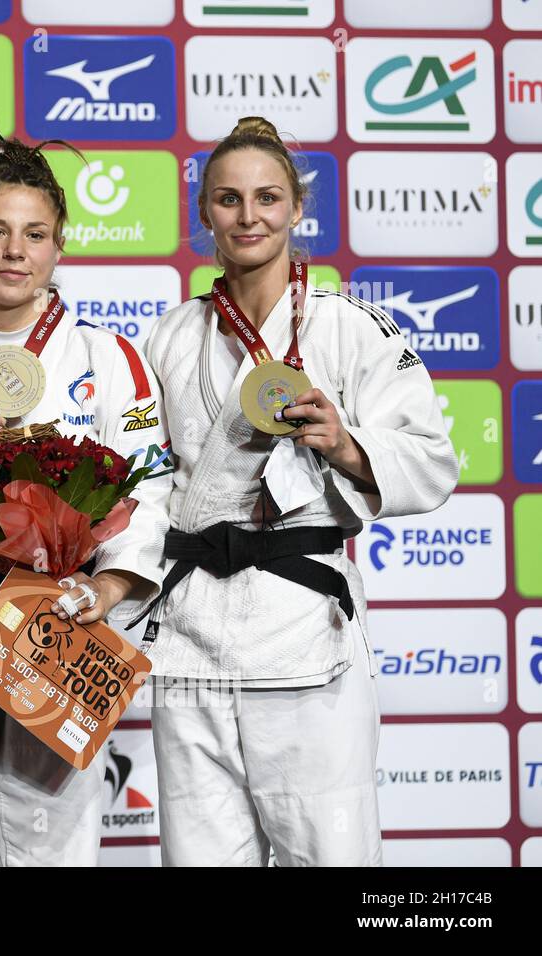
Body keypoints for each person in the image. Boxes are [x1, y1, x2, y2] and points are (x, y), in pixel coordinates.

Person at [141, 117, 458, 866]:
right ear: (203, 213)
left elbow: (434, 459)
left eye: (267, 198)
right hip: (188, 637)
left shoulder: (352, 329)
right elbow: (140, 467)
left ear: (296, 210)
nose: (248, 216)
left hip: (302, 635)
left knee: (331, 857)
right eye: (228, 199)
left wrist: (347, 444)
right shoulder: (167, 337)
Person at [0, 125, 172, 866]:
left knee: (55, 852)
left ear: (60, 246)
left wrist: (106, 589)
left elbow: (153, 490)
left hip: (59, 635)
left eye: (34, 234)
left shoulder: (110, 359)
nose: (14, 251)